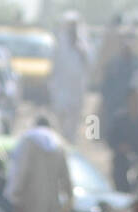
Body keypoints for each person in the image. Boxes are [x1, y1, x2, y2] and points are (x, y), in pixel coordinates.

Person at [4, 116, 72, 212]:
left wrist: (14, 197)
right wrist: (68, 204)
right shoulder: (59, 143)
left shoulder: (28, 141)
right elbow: (66, 178)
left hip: (28, 200)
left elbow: (19, 172)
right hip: (51, 202)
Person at [49, 12, 90, 142]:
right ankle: (61, 136)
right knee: (60, 112)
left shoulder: (83, 44)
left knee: (74, 113)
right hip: (61, 84)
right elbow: (55, 64)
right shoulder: (59, 44)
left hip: (76, 86)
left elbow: (88, 63)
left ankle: (70, 138)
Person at [108, 87, 138, 193]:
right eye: (134, 99)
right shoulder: (119, 119)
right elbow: (110, 139)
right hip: (121, 164)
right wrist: (119, 146)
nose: (137, 102)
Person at [99, 34, 138, 143]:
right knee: (111, 118)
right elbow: (107, 79)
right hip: (114, 97)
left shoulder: (135, 63)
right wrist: (105, 95)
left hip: (127, 98)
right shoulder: (114, 62)